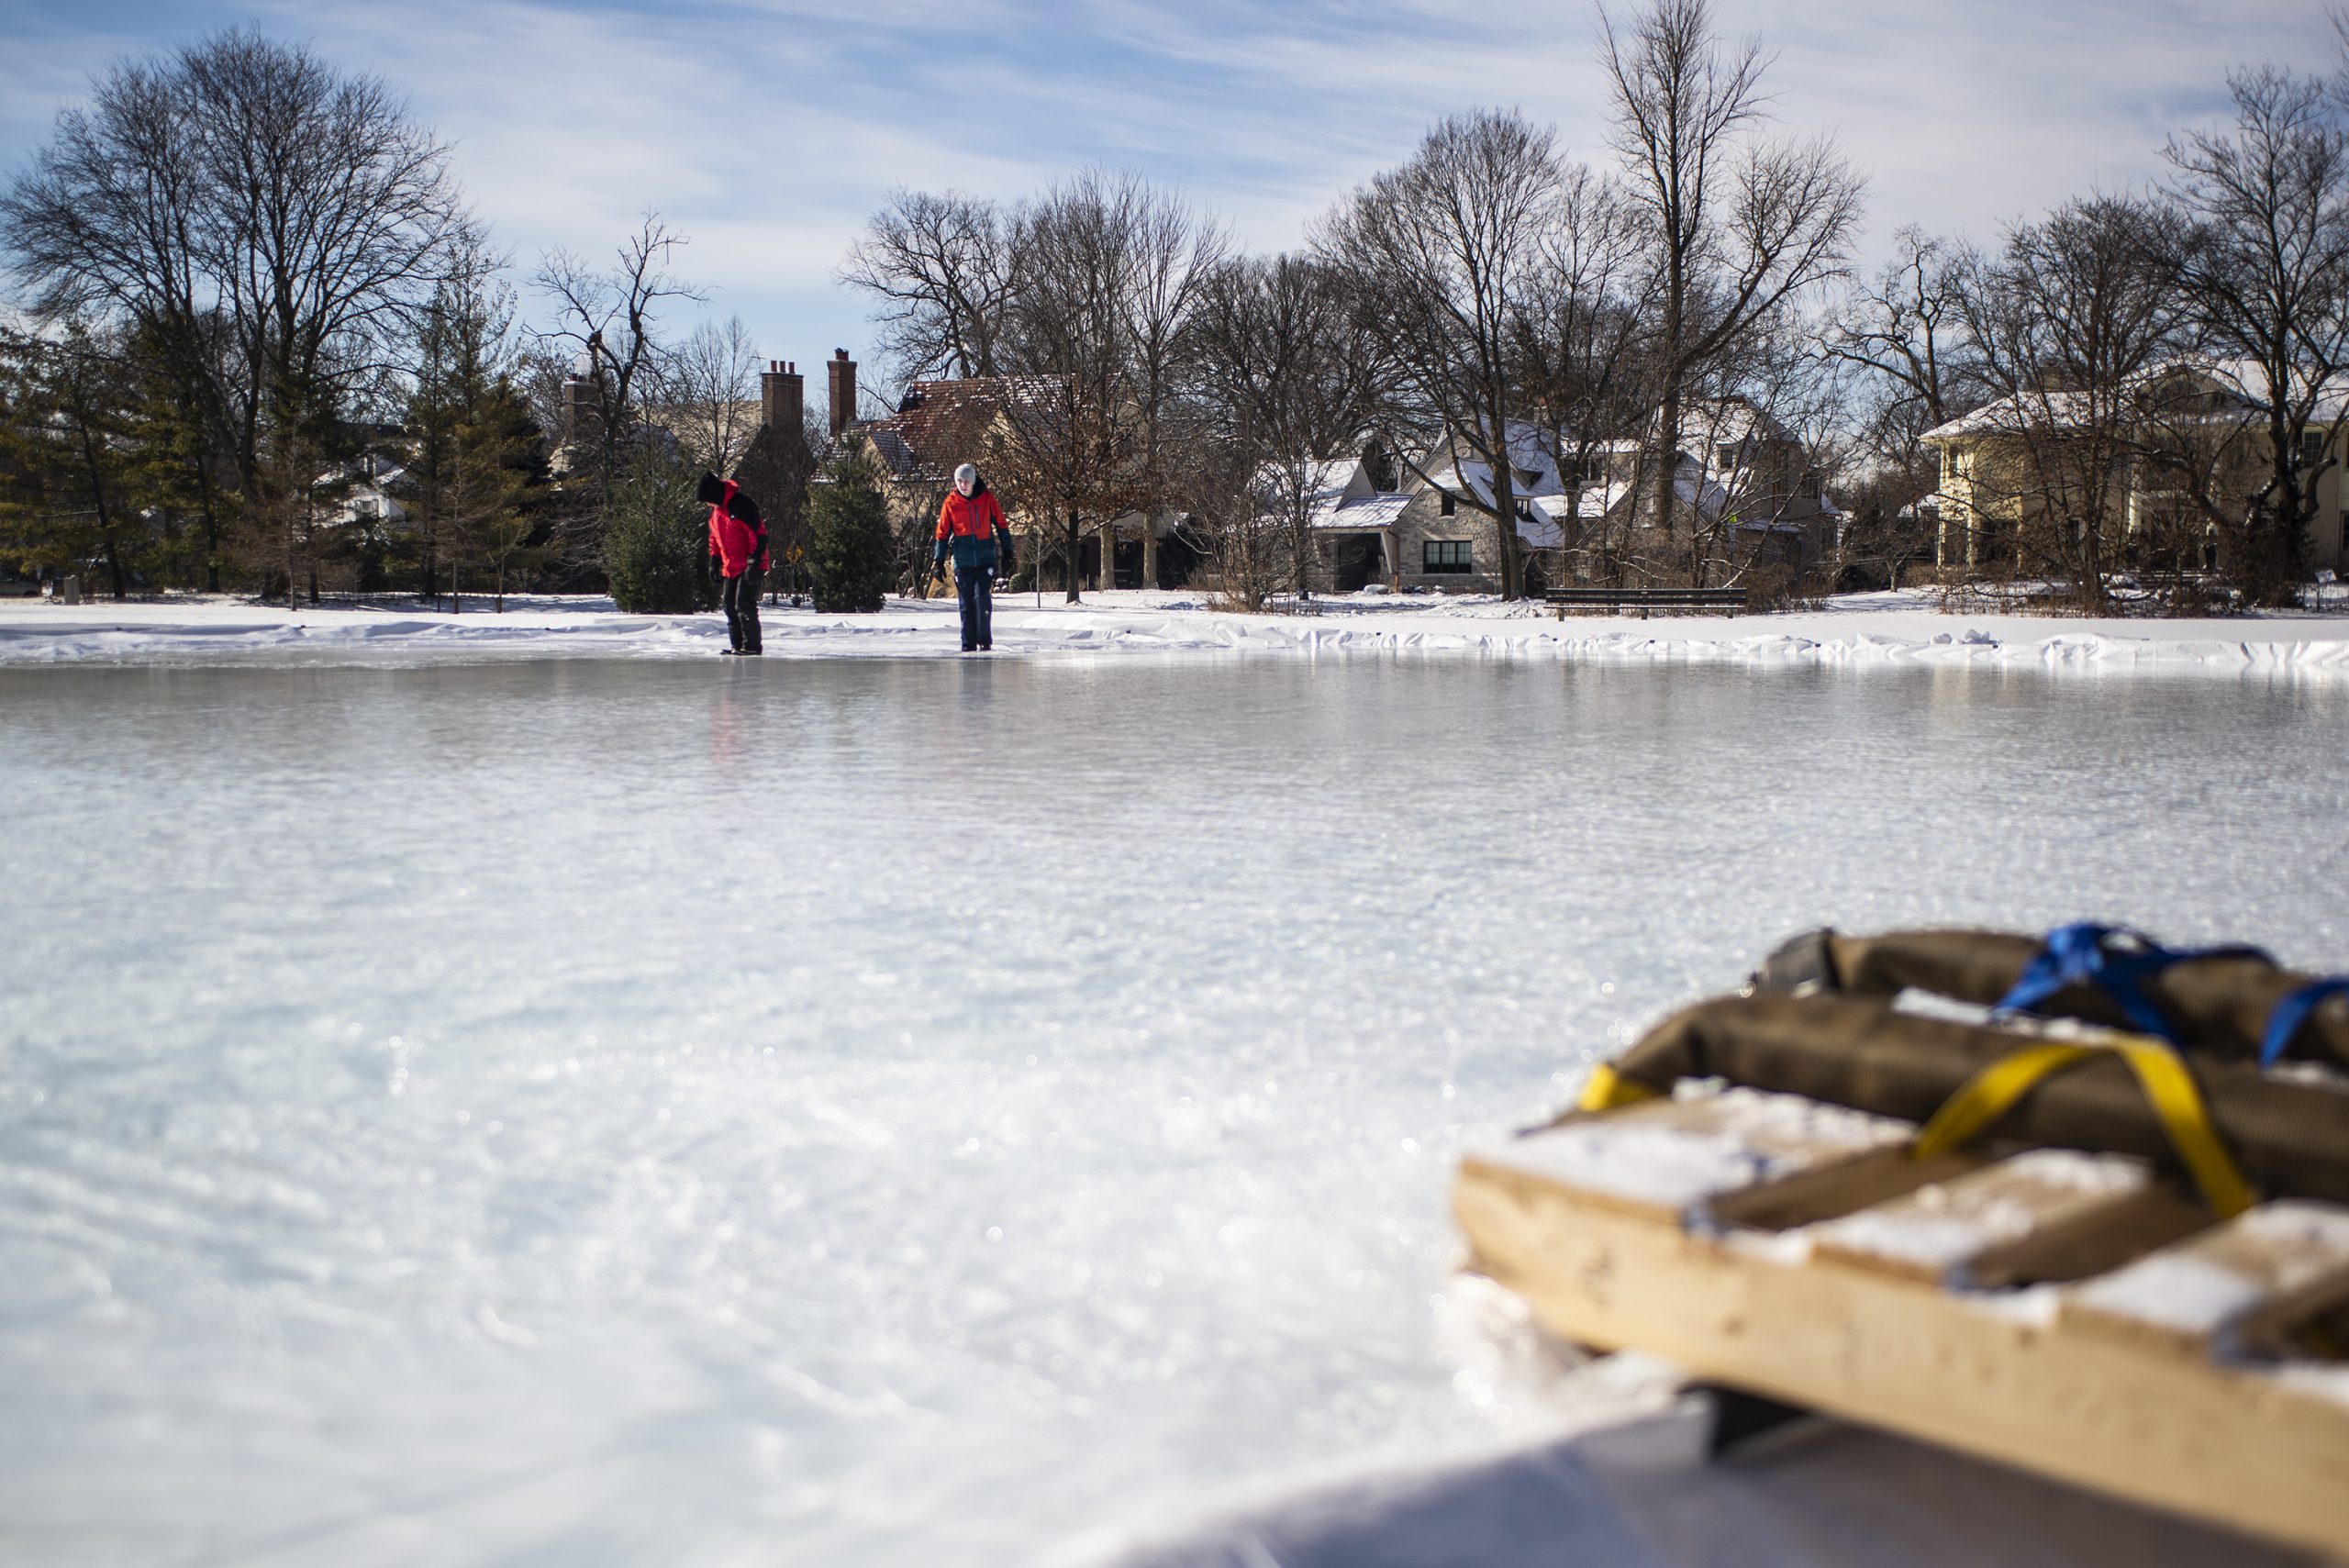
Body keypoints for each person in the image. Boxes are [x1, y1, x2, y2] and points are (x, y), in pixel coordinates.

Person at [932, 462, 1014, 652]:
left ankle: (984, 641)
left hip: (985, 558)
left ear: (973, 481)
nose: (963, 484)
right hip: (963, 561)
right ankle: (967, 645)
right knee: (967, 604)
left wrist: (1008, 552)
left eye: (966, 481)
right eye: (959, 481)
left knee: (981, 598)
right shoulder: (950, 503)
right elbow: (942, 534)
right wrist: (938, 561)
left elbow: (1001, 524)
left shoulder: (987, 499)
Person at [699, 473, 769, 655]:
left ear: (714, 495)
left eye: (707, 500)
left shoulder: (743, 506)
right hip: (730, 566)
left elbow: (758, 535)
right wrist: (714, 561)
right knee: (729, 604)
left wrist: (754, 561)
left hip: (751, 564)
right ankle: (737, 645)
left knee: (743, 604)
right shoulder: (716, 513)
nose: (707, 505)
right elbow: (714, 538)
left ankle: (752, 646)